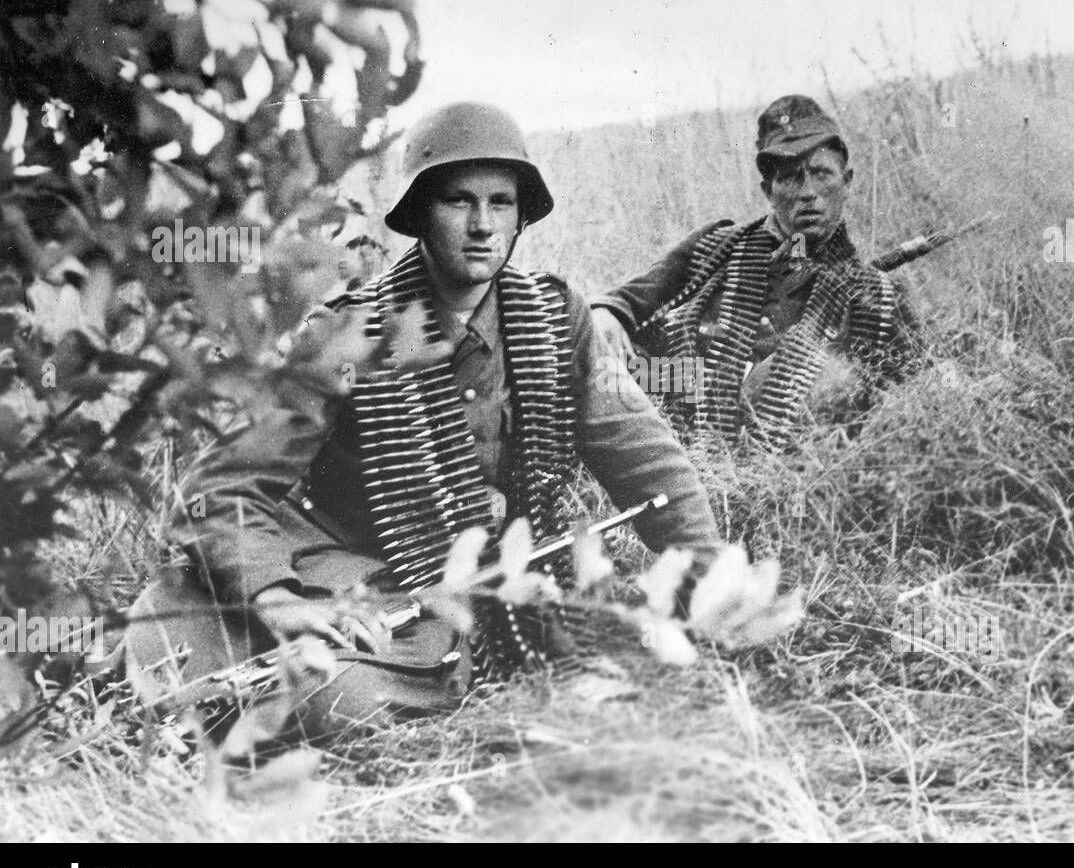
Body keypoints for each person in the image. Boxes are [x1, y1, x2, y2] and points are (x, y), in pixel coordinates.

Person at [128, 102, 730, 737]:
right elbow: (225, 486)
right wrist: (278, 599)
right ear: (418, 215)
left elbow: (644, 456)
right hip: (353, 567)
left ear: (522, 215)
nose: (481, 225)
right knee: (332, 693)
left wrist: (715, 579)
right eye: (457, 201)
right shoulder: (355, 331)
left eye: (501, 202)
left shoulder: (554, 320)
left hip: (484, 582)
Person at [590, 95, 919, 446]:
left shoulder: (879, 297)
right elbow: (629, 300)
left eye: (822, 173)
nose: (808, 192)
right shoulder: (716, 244)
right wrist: (606, 312)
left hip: (785, 451)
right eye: (791, 178)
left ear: (847, 180)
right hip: (678, 408)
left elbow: (911, 389)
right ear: (768, 190)